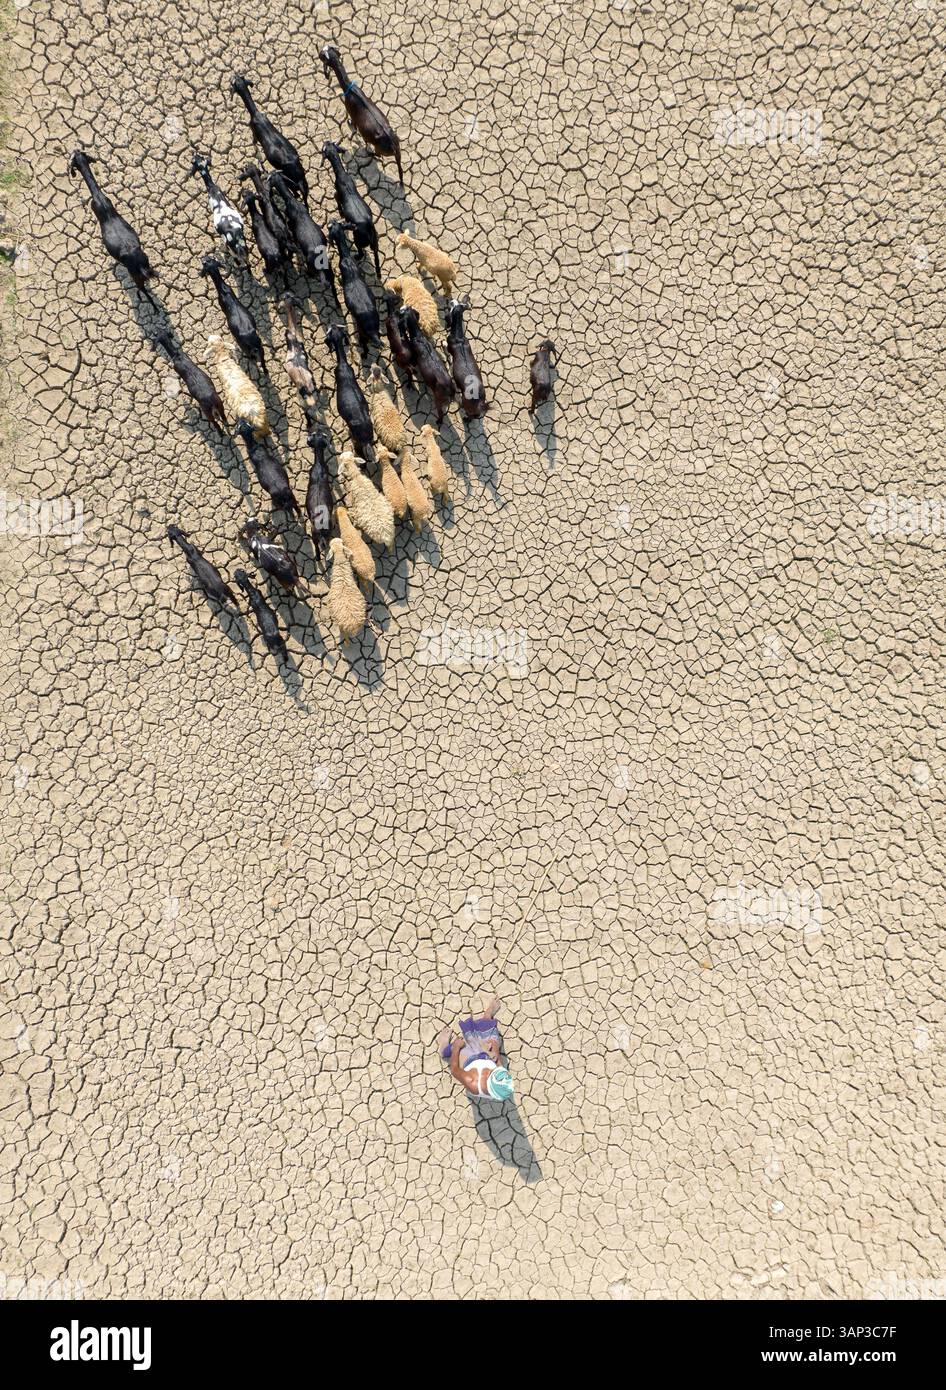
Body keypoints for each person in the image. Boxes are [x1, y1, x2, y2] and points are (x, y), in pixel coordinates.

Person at [436, 995, 515, 1101]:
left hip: (469, 1061)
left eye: (491, 1074)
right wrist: (493, 1052)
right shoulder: (502, 1078)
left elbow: (454, 1070)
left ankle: (443, 1049)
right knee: (492, 1036)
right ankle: (487, 1017)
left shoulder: (472, 1083)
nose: (489, 1071)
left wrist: (456, 1047)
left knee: (458, 1047)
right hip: (487, 1057)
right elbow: (499, 1064)